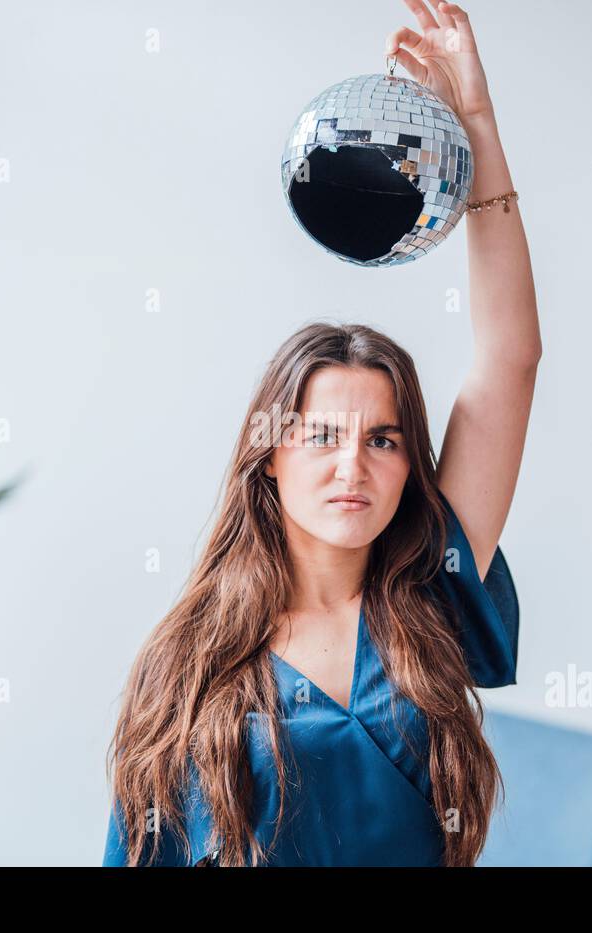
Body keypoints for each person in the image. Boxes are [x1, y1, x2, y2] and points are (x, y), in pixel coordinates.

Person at [104, 0, 541, 867]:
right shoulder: (188, 659)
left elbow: (511, 357)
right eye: (324, 436)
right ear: (269, 455)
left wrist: (478, 121)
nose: (355, 464)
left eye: (384, 439)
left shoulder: (434, 590)